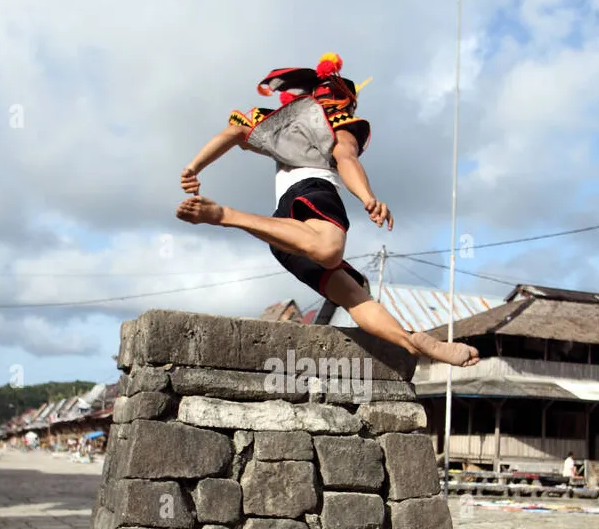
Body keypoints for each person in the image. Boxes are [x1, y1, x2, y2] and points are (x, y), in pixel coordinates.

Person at [176, 54, 479, 368]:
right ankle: (226, 216)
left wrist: (193, 166)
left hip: (282, 227)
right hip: (313, 193)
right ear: (345, 101)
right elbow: (346, 158)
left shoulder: (279, 126)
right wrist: (367, 197)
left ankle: (411, 340)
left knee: (354, 297)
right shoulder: (337, 123)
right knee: (329, 249)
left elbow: (234, 133)